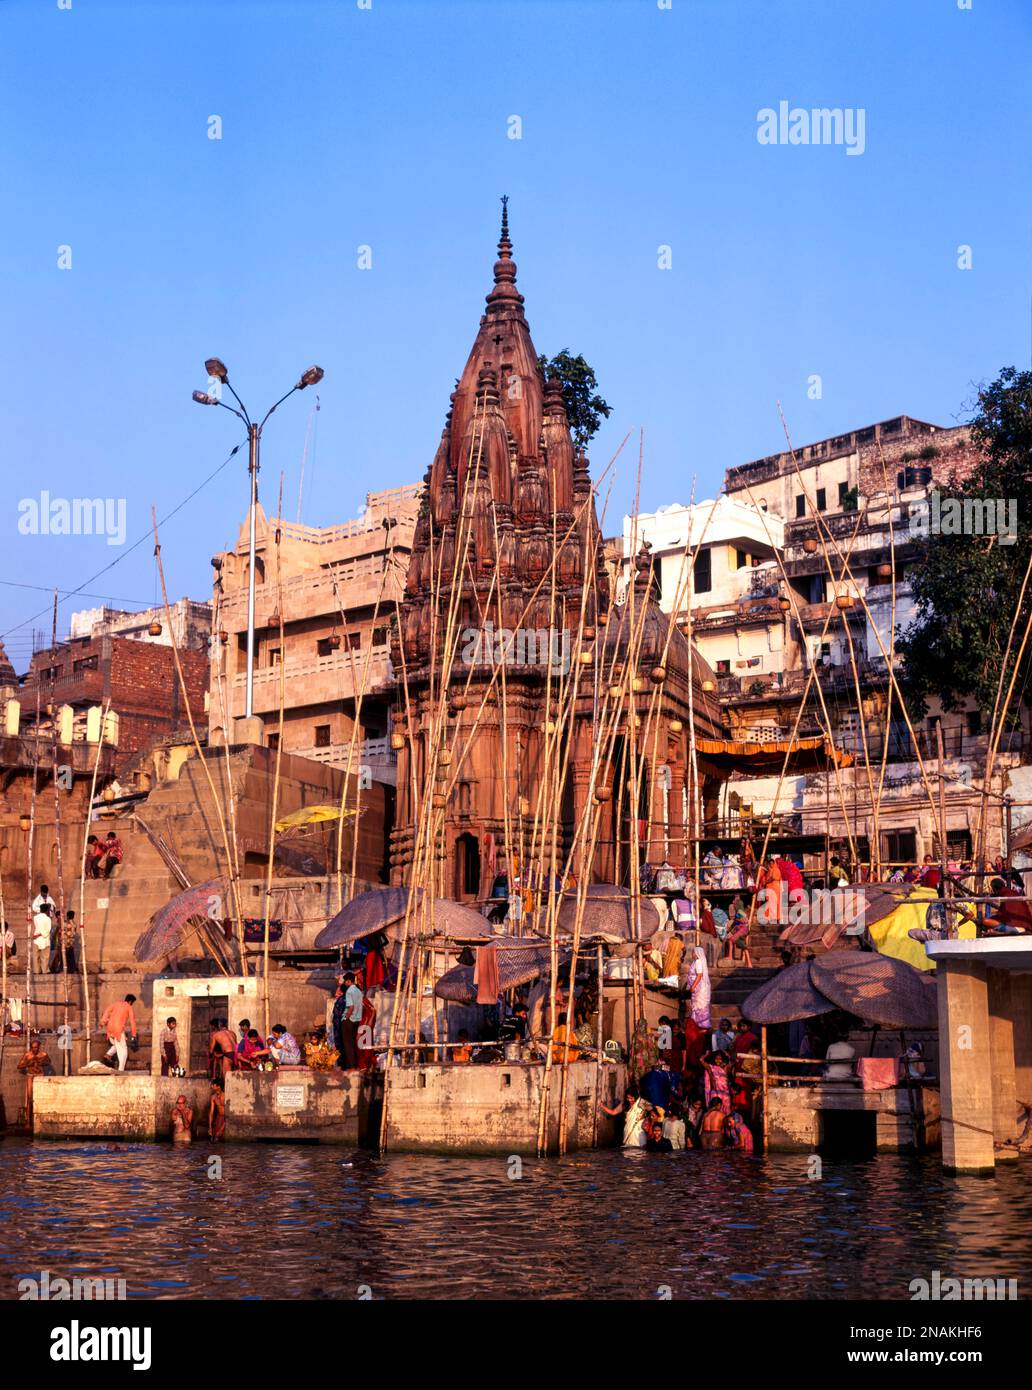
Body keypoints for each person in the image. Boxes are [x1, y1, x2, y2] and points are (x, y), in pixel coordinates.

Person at [99, 993, 137, 1071]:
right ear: (130, 1001)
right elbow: (132, 1021)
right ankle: (121, 1070)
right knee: (124, 1050)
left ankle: (108, 1054)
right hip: (118, 1030)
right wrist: (134, 1035)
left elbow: (107, 1011)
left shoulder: (116, 1004)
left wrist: (103, 1022)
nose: (132, 1004)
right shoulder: (129, 1007)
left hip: (109, 1029)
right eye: (132, 1003)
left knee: (117, 1045)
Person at [17, 1037, 51, 1123]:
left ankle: (40, 1120)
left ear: (39, 1047)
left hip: (40, 1075)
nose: (34, 1049)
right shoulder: (28, 1055)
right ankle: (28, 1120)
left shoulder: (43, 1054)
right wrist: (28, 1063)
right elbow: (19, 1066)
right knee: (29, 1097)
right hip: (30, 1075)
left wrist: (42, 1062)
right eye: (32, 1047)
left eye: (35, 1047)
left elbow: (49, 1062)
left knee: (41, 1097)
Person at [338, 971, 364, 1069]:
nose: (345, 983)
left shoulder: (349, 991)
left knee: (348, 1044)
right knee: (354, 1043)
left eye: (345, 981)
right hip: (357, 1020)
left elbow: (351, 1006)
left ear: (349, 981)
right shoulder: (358, 991)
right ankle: (356, 1065)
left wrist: (346, 1017)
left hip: (349, 1020)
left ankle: (352, 1066)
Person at [685, 946, 712, 1029]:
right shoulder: (695, 962)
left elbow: (699, 975)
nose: (692, 954)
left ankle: (702, 1024)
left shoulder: (698, 961)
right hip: (697, 988)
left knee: (700, 1005)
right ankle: (697, 1023)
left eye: (693, 952)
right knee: (696, 1005)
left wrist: (693, 986)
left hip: (699, 989)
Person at [31, 904, 52, 976]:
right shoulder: (48, 919)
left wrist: (36, 935)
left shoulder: (35, 917)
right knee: (45, 957)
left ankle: (36, 971)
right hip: (44, 940)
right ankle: (44, 970)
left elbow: (35, 927)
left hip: (36, 939)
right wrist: (39, 934)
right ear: (47, 910)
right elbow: (47, 931)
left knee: (36, 956)